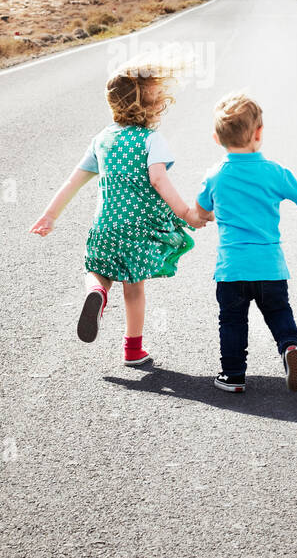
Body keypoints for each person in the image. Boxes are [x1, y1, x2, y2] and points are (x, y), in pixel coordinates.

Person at [30, 61, 206, 366]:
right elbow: (158, 179)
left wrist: (49, 215)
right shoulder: (151, 140)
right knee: (134, 289)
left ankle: (97, 293)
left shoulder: (102, 140)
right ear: (151, 106)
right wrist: (186, 213)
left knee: (96, 270)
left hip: (106, 226)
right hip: (138, 230)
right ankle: (133, 350)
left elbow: (74, 180)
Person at [193, 91, 297, 393]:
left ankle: (233, 375)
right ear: (259, 133)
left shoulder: (215, 175)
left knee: (232, 321)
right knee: (278, 313)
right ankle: (290, 349)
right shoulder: (274, 172)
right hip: (271, 268)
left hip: (232, 269)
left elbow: (200, 210)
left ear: (216, 138)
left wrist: (206, 215)